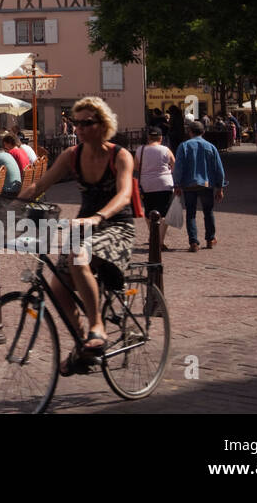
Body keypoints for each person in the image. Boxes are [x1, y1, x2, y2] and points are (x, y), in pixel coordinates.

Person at [15, 96, 134, 373]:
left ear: (102, 124)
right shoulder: (72, 155)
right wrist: (11, 209)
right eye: (75, 123)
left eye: (86, 123)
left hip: (115, 226)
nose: (79, 128)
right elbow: (39, 186)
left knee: (78, 257)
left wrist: (98, 217)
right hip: (83, 226)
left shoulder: (119, 155)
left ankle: (97, 326)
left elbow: (125, 195)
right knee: (58, 289)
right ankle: (84, 347)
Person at [173, 120, 226, 252]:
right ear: (203, 132)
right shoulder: (210, 147)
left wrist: (177, 184)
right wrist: (220, 187)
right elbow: (219, 169)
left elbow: (178, 167)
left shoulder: (184, 146)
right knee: (208, 212)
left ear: (190, 132)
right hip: (206, 184)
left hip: (189, 184)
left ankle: (193, 242)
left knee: (190, 213)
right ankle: (210, 239)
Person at [133, 126, 176, 249]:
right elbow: (174, 164)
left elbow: (136, 167)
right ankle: (160, 241)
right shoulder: (165, 150)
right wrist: (168, 171)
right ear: (160, 138)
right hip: (165, 184)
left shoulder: (140, 150)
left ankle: (153, 236)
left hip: (147, 185)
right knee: (164, 213)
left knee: (149, 212)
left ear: (148, 137)